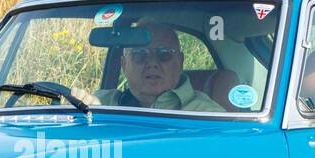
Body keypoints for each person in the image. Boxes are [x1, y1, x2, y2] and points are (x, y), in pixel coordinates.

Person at [94, 24, 222, 112]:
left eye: (164, 54)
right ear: (124, 64)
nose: (152, 63)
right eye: (140, 54)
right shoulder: (99, 103)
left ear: (180, 62)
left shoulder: (207, 115)